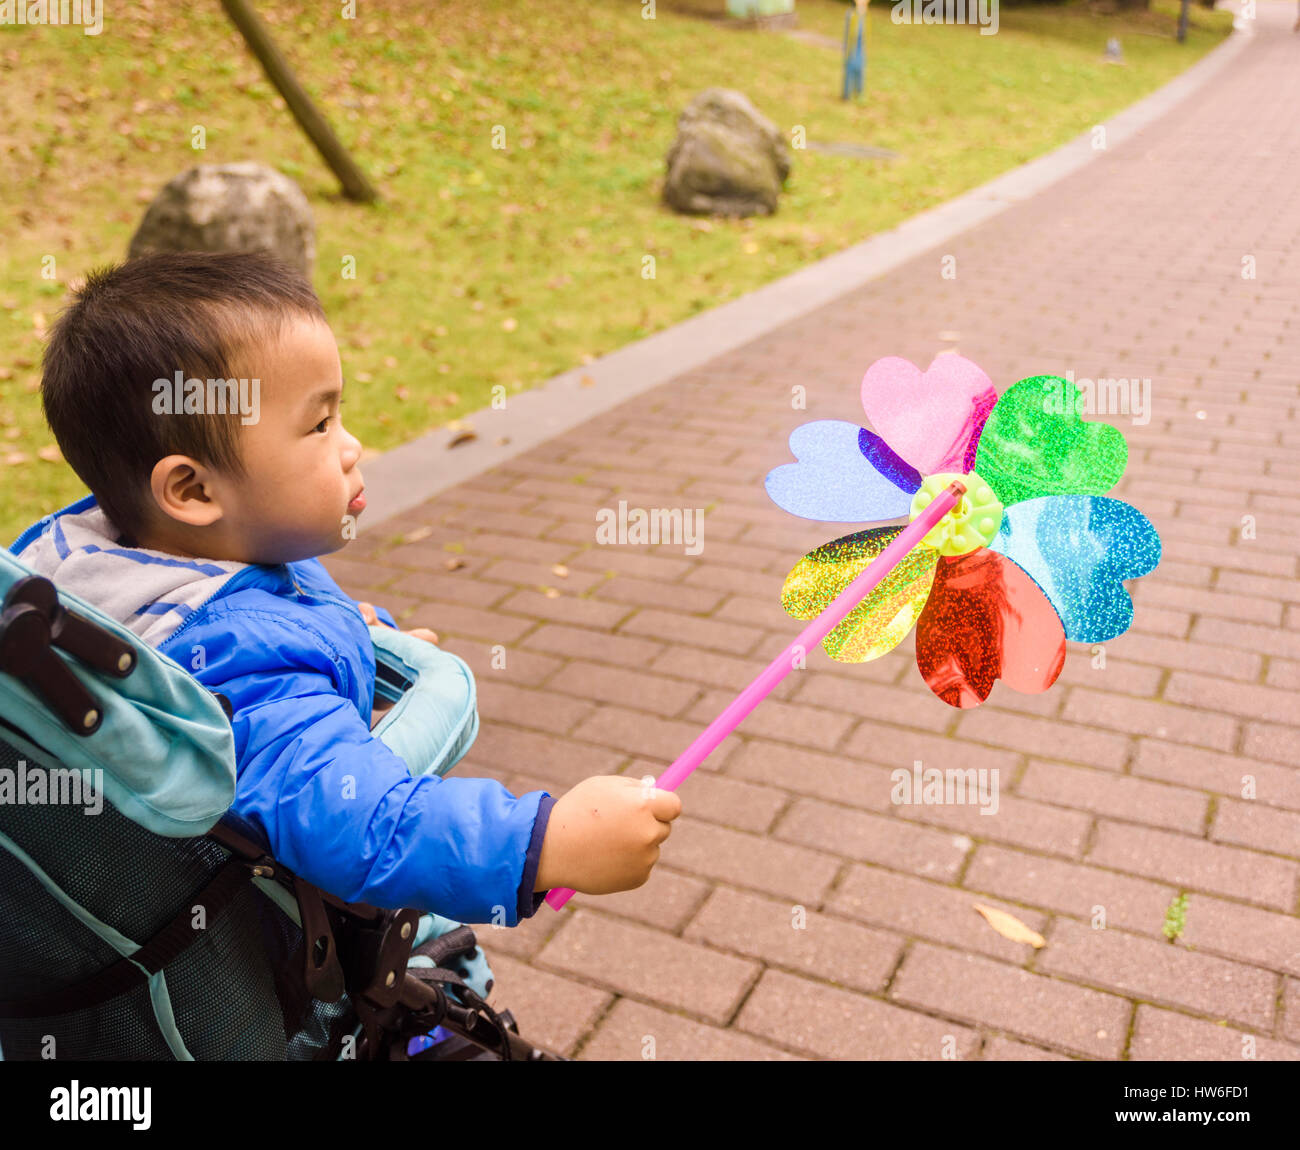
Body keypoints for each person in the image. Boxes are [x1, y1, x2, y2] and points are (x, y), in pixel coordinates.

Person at [10, 249, 681, 928]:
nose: (352, 446)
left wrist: (348, 642)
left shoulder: (99, 564)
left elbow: (274, 612)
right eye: (319, 424)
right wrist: (544, 843)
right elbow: (359, 824)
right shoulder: (237, 669)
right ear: (193, 490)